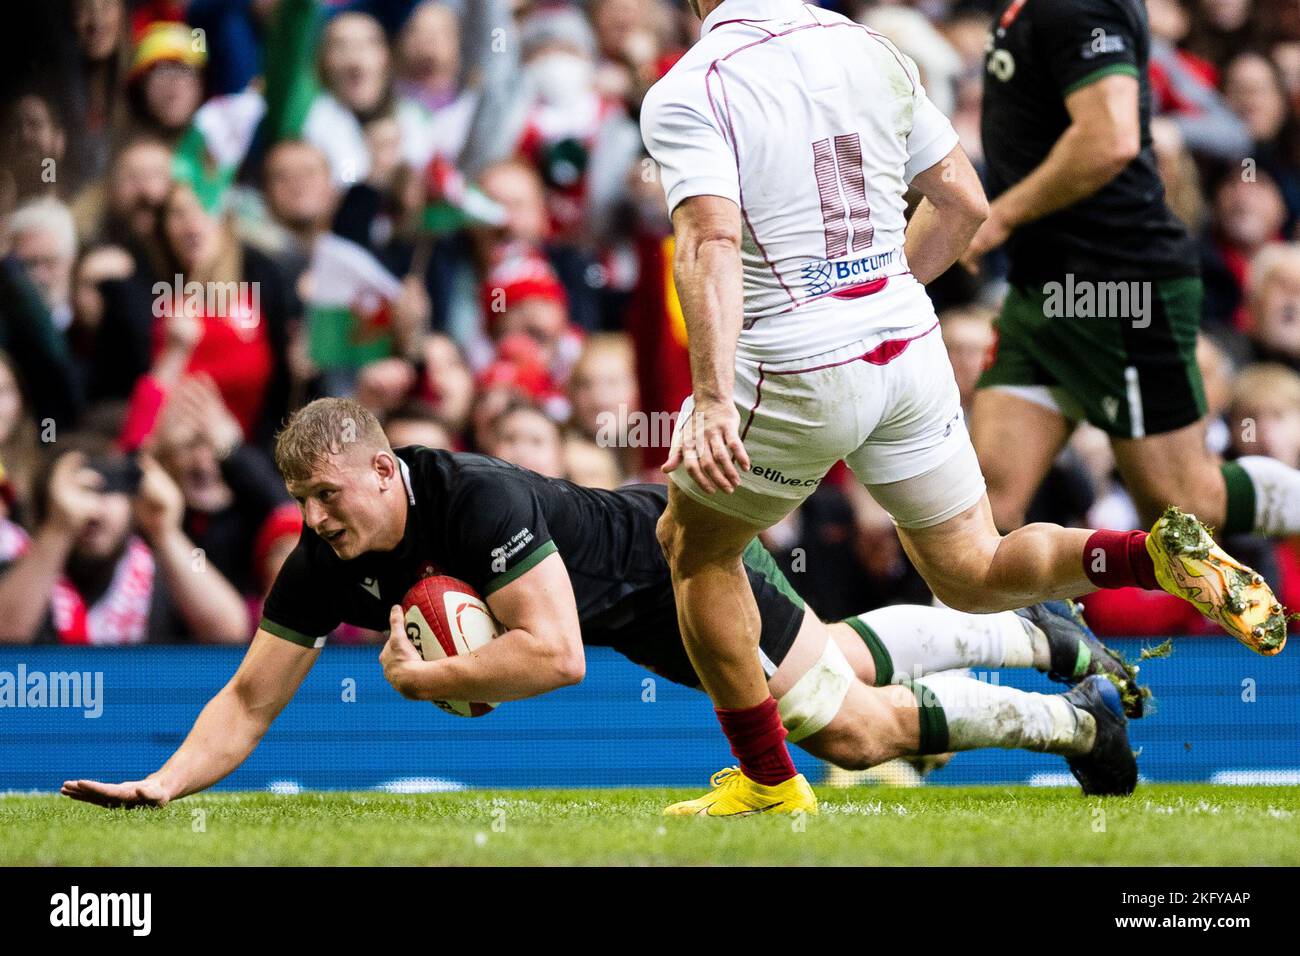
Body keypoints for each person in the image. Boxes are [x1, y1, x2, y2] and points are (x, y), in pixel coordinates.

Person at [638, 0, 1283, 817]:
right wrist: (888, 294)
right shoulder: (871, 47)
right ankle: (1147, 556)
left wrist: (711, 396)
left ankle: (769, 782)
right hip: (907, 344)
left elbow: (710, 242)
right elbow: (965, 205)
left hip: (797, 362)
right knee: (975, 566)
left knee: (695, 549)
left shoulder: (692, 84)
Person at [62, 397, 1151, 811]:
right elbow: (251, 700)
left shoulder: (474, 496)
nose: (314, 514)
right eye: (300, 497)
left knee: (852, 729)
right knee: (847, 675)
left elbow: (554, 657)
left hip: (673, 560)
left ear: (386, 470)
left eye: (328, 492)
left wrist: (426, 676)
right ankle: (1037, 636)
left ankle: (1074, 716)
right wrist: (160, 784)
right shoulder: (323, 557)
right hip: (636, 616)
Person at [968, 0, 1300, 571]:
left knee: (1184, 509)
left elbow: (1111, 137)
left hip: (1120, 290)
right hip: (1042, 288)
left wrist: (999, 216)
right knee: (983, 514)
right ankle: (1056, 645)